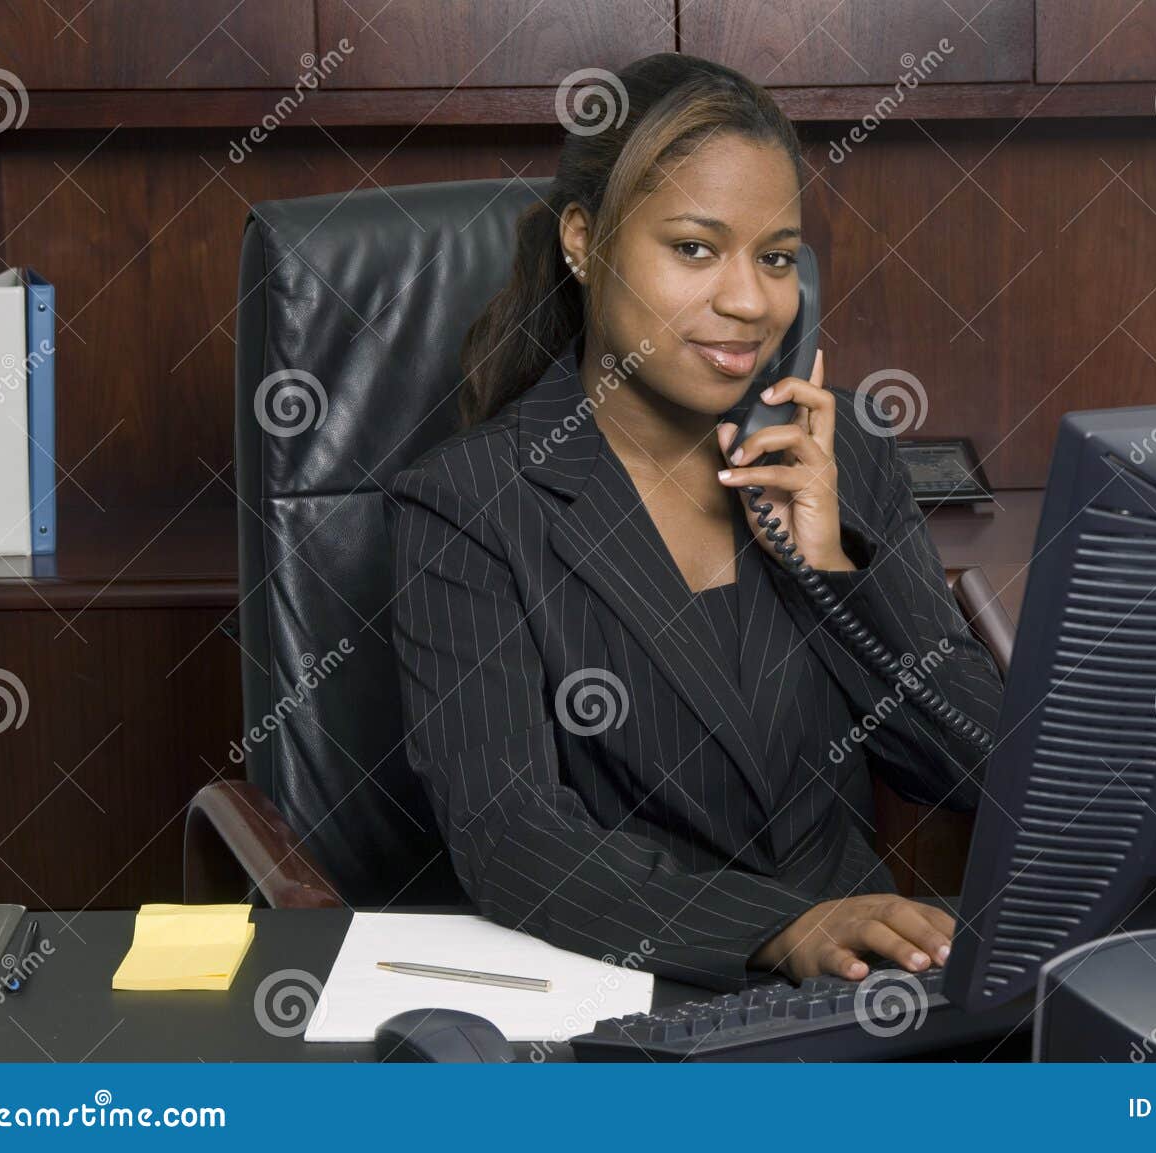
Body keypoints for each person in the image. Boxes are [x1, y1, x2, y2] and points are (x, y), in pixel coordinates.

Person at [386, 52, 1002, 993]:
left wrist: (830, 566)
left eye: (778, 257)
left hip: (869, 995)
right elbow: (513, 838)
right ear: (584, 241)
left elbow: (985, 766)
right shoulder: (471, 504)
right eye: (695, 248)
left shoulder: (838, 455)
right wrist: (780, 926)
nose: (751, 302)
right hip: (634, 998)